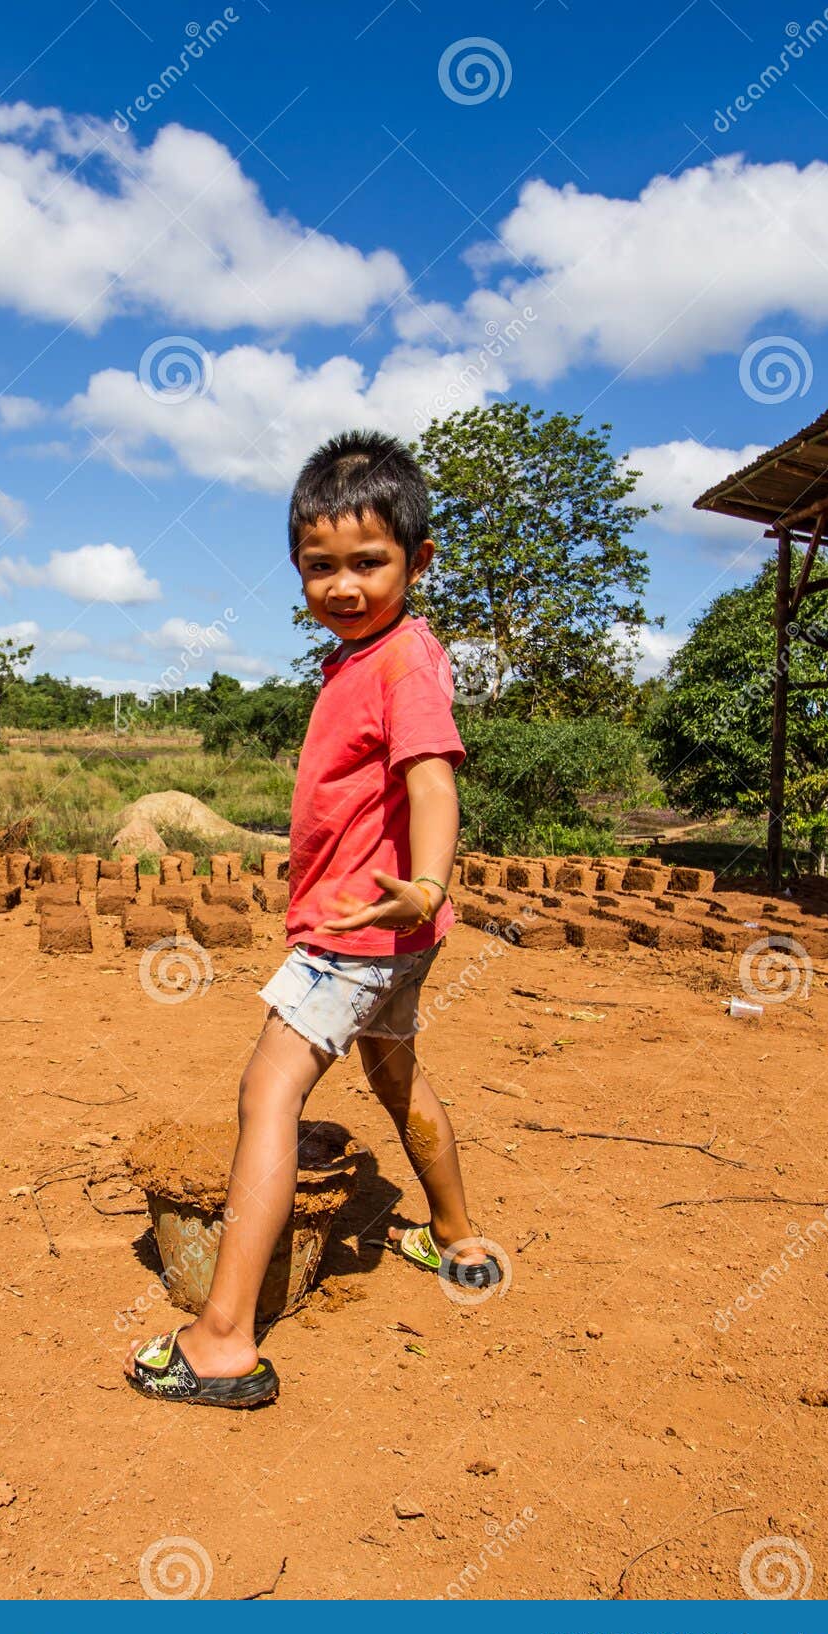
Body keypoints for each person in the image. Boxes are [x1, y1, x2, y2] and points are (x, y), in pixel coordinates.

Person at [124, 428, 501, 1409]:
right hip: (394, 937)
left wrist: (424, 877)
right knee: (394, 1071)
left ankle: (221, 1340)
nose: (340, 585)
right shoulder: (368, 654)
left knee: (267, 1095)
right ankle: (456, 1236)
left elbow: (431, 780)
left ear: (416, 561)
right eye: (317, 566)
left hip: (361, 931)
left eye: (366, 562)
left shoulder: (402, 665)